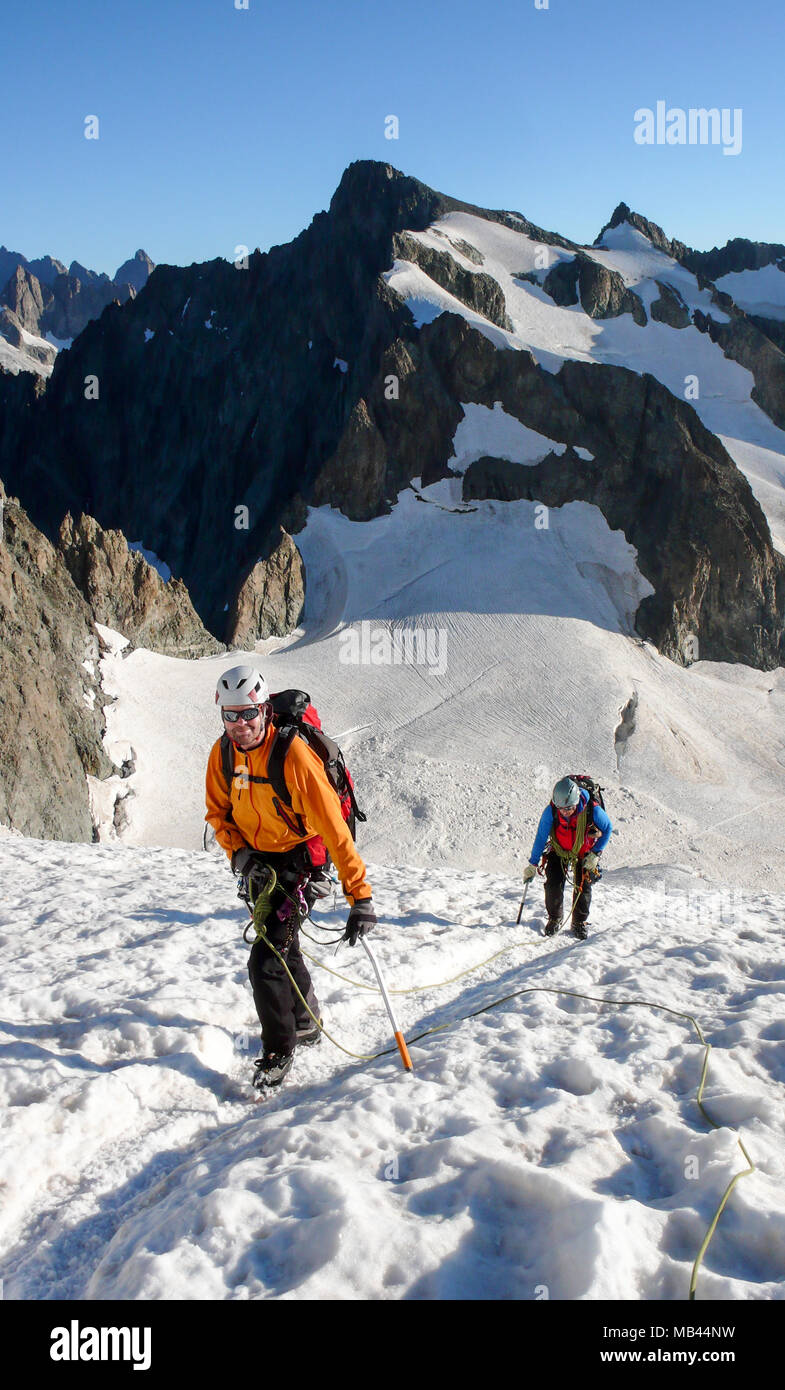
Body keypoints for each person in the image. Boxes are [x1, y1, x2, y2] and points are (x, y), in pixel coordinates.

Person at [205, 665, 376, 1088]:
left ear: (264, 709)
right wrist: (241, 856)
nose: (240, 725)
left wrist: (361, 897)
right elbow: (218, 814)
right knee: (282, 944)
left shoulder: (293, 755)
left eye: (248, 714)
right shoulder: (222, 754)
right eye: (231, 715)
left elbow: (335, 830)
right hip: (259, 862)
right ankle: (304, 1021)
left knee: (265, 959)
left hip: (301, 862)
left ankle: (278, 1051)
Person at [522, 776, 612, 939]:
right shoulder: (551, 811)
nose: (565, 812)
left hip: (584, 851)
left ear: (577, 801)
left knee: (583, 887)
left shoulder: (593, 810)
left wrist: (596, 854)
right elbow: (541, 837)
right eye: (561, 808)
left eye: (569, 808)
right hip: (558, 849)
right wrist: (532, 864)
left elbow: (607, 829)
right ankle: (555, 918)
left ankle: (579, 922)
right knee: (553, 884)